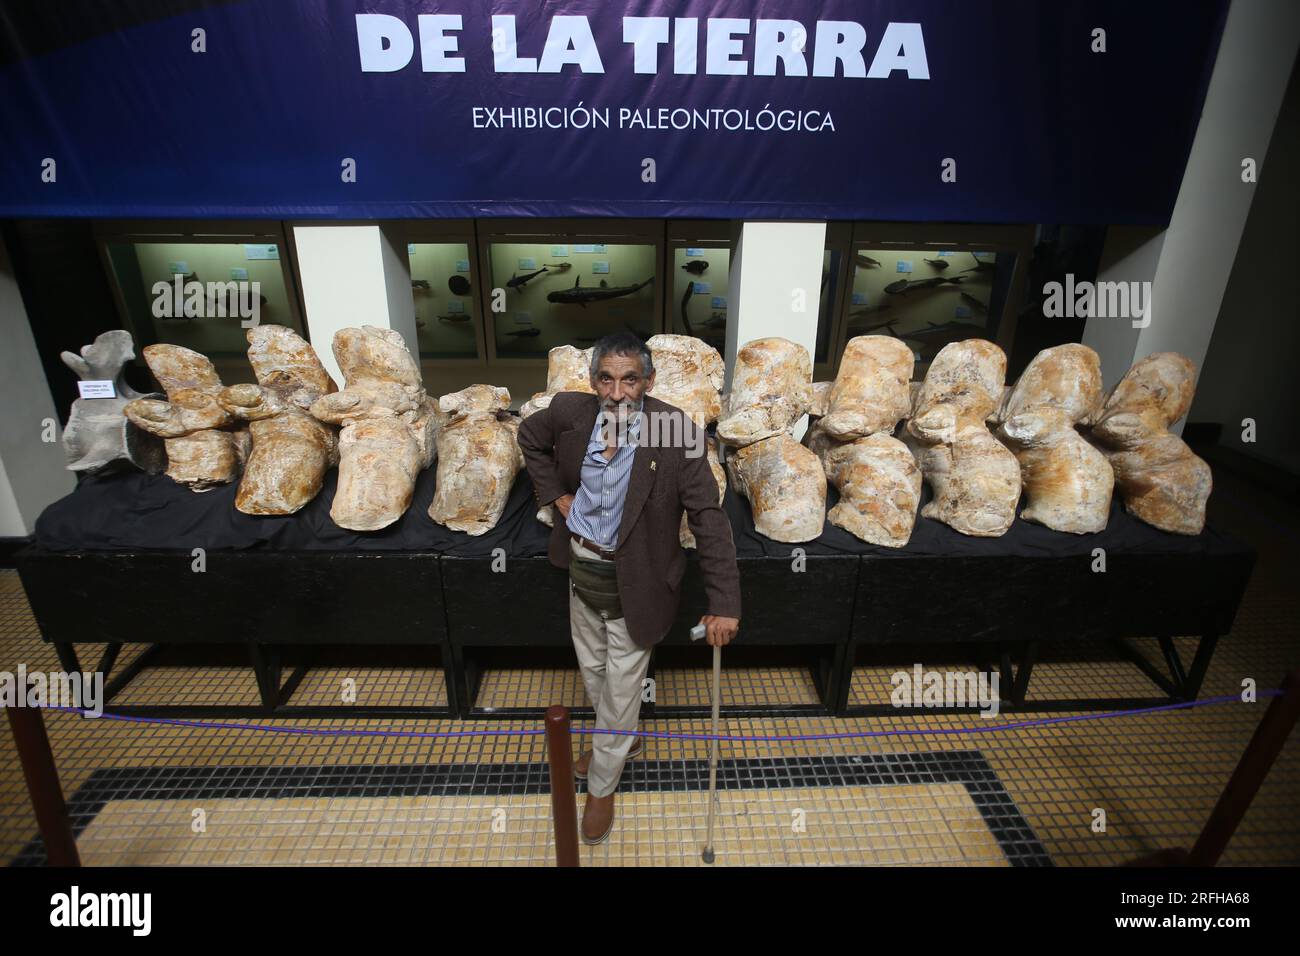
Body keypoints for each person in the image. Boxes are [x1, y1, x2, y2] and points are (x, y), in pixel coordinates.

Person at [517, 331, 741, 845]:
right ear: (594, 380)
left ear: (649, 381)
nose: (618, 393)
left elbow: (707, 516)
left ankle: (602, 785)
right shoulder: (571, 412)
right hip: (581, 571)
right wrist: (556, 496)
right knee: (594, 674)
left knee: (620, 688)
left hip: (638, 581)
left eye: (630, 380)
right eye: (607, 379)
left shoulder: (675, 430)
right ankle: (619, 742)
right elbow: (529, 436)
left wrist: (724, 602)